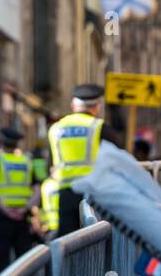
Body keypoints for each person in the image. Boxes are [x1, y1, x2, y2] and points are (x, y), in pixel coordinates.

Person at [48, 84, 120, 239]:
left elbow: (51, 166)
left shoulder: (56, 129)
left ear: (73, 105)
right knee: (95, 241)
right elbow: (116, 162)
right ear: (97, 106)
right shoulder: (100, 128)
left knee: (68, 242)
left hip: (66, 193)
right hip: (94, 193)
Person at [0, 127, 39, 270]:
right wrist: (26, 208)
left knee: (1, 259)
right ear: (17, 144)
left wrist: (5, 208)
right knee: (23, 261)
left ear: (2, 143)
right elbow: (36, 189)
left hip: (3, 215)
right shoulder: (26, 162)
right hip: (23, 217)